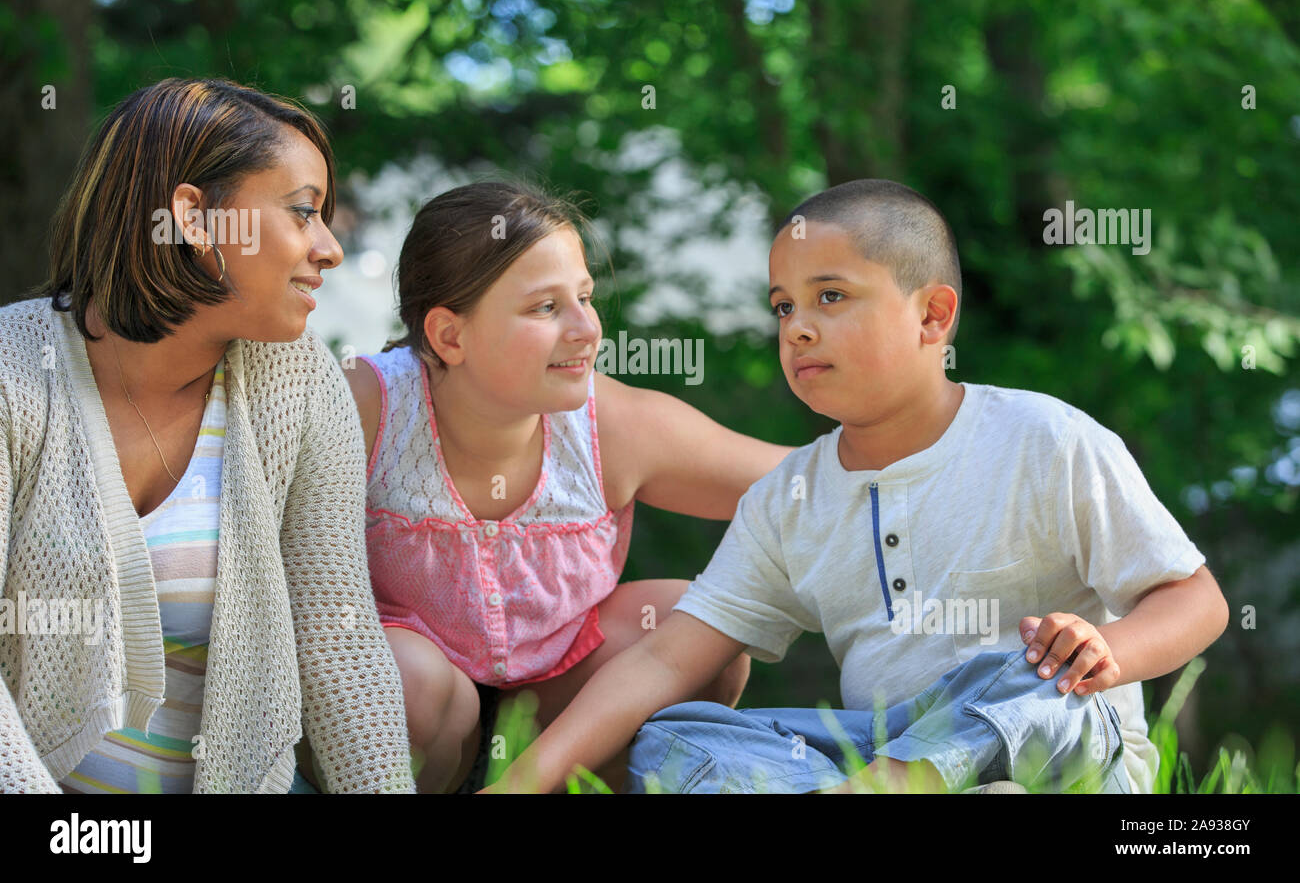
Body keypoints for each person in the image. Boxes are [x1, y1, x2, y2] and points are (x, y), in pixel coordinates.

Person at [483, 178, 1230, 794]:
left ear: (933, 316)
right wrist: (518, 784)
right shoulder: (790, 496)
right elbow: (663, 658)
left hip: (1051, 741)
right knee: (671, 735)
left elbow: (1197, 600)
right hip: (877, 751)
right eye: (783, 307)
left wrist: (1107, 650)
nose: (798, 328)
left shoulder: (1046, 439)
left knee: (1022, 676)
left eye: (831, 297)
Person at [0, 77, 415, 793]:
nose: (329, 248)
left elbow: (338, 641)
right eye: (303, 213)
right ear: (194, 218)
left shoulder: (303, 384)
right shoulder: (13, 372)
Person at [344, 180, 793, 792]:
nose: (587, 329)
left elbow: (803, 485)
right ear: (450, 336)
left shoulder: (611, 425)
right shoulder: (367, 408)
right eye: (546, 307)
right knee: (410, 678)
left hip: (562, 703)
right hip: (416, 706)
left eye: (585, 297)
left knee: (692, 624)